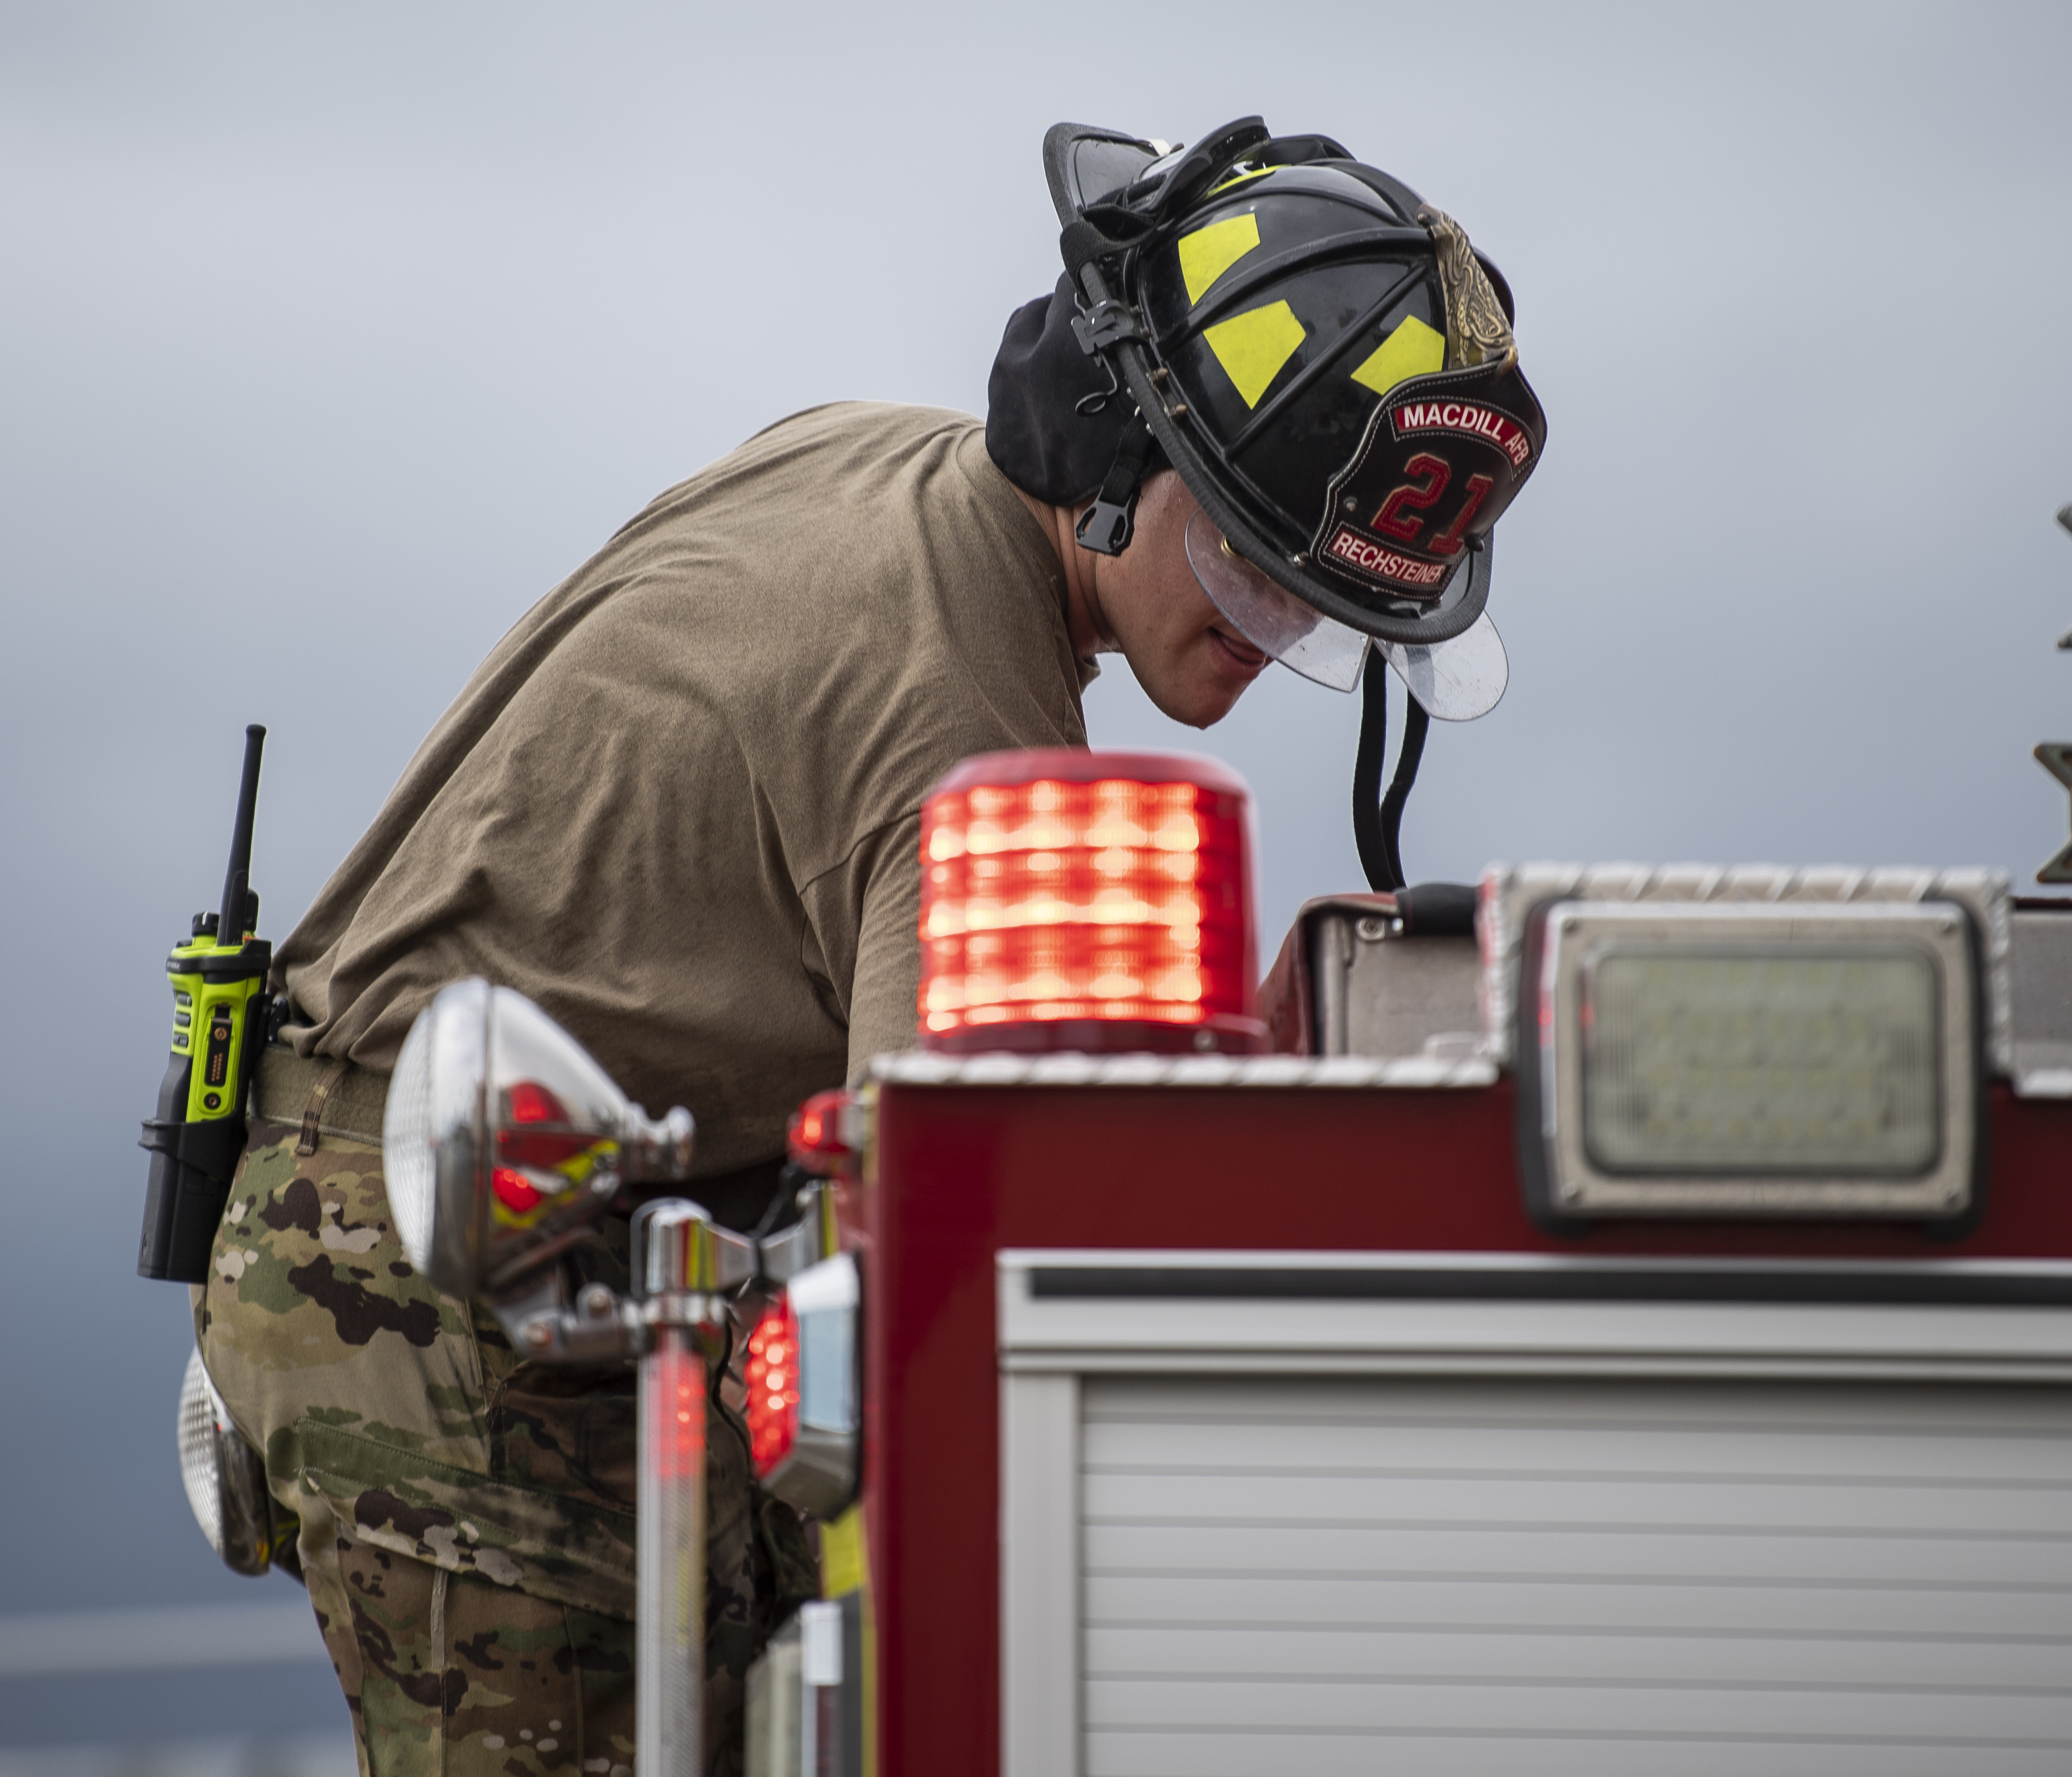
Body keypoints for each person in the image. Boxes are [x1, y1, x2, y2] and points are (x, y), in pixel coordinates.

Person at [193, 116, 1546, 1777]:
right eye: (1254, 573)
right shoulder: (963, 737)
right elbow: (941, 1269)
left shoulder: (879, 460)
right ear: (1116, 451)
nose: (1282, 636)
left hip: (467, 1216)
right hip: (442, 1271)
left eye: (1323, 606)